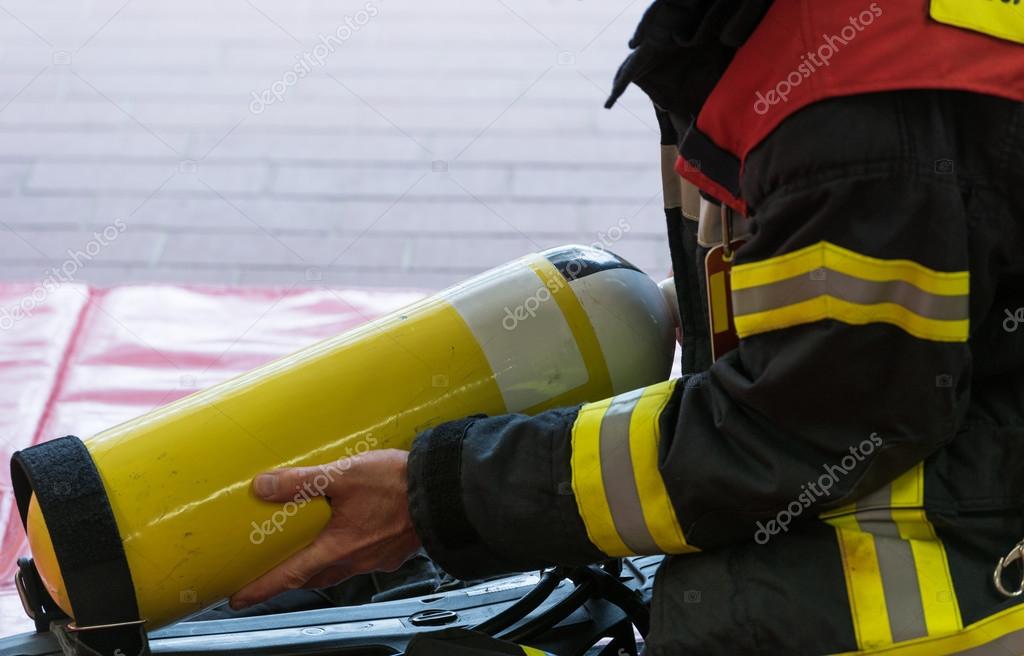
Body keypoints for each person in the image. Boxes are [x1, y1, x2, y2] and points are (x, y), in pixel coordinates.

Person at [229, 1, 1024, 653]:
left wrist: (439, 495)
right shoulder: (770, 31)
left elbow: (798, 430)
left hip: (949, 603)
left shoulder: (855, 95)